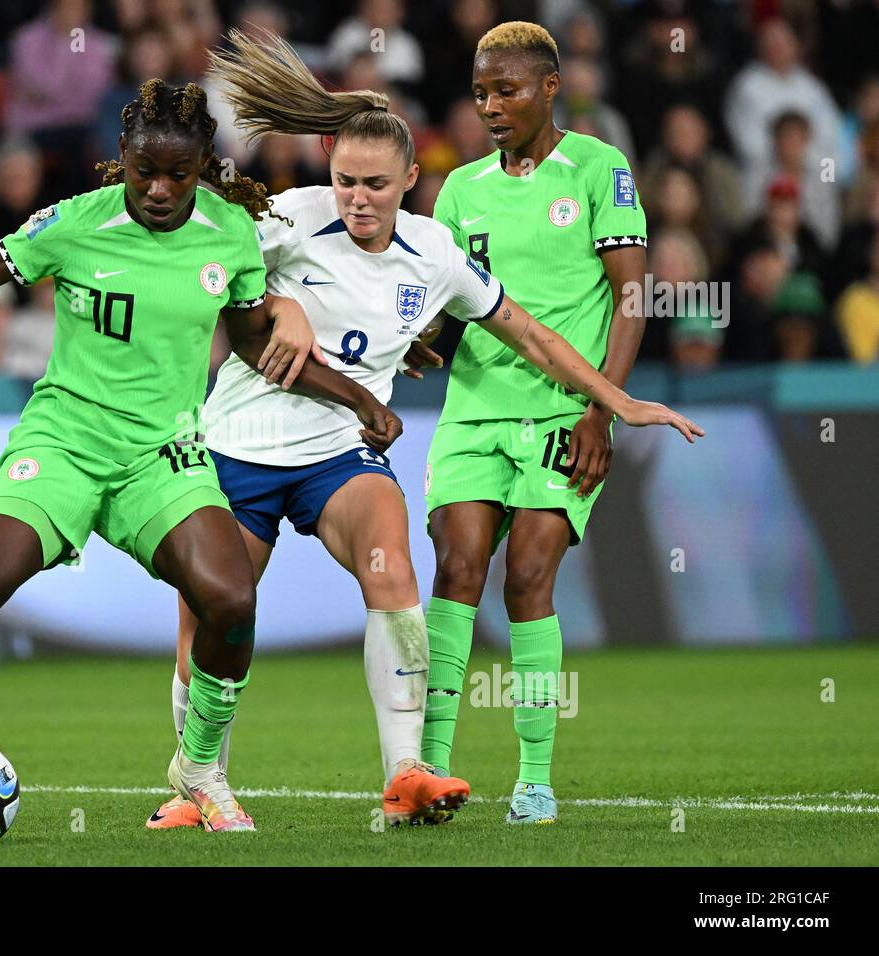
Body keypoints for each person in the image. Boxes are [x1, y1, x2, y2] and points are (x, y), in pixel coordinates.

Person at [0, 77, 403, 843]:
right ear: (119, 159)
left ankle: (201, 771)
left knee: (230, 600)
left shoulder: (228, 232)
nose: (159, 190)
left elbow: (255, 341)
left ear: (203, 169)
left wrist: (355, 397)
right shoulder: (72, 224)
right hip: (65, 439)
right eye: (143, 173)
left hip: (162, 456)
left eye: (178, 175)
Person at [147, 29, 703, 831]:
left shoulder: (435, 248)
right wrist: (281, 306)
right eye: (345, 181)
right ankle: (199, 781)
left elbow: (528, 331)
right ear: (328, 169)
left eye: (377, 184)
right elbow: (217, 284)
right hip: (243, 445)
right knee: (218, 615)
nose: (359, 199)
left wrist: (612, 401)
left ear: (412, 179)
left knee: (394, 561)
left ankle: (409, 770)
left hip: (339, 455)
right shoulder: (285, 219)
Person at [419, 22, 701, 825]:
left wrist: (599, 410)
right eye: (480, 93)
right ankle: (429, 771)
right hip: (473, 410)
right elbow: (455, 308)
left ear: (549, 88)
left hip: (560, 412)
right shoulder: (461, 188)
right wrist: (420, 346)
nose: (491, 106)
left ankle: (534, 782)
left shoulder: (601, 170)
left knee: (529, 579)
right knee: (456, 571)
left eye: (506, 90)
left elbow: (632, 297)